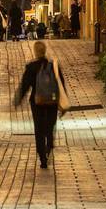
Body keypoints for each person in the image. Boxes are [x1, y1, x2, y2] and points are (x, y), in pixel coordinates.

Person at [14, 41, 67, 169]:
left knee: (39, 128)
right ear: (45, 50)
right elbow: (61, 84)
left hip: (37, 102)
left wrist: (18, 99)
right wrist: (63, 102)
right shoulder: (54, 66)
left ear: (35, 51)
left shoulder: (31, 67)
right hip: (52, 101)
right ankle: (49, 146)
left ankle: (42, 156)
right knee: (50, 125)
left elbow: (25, 85)